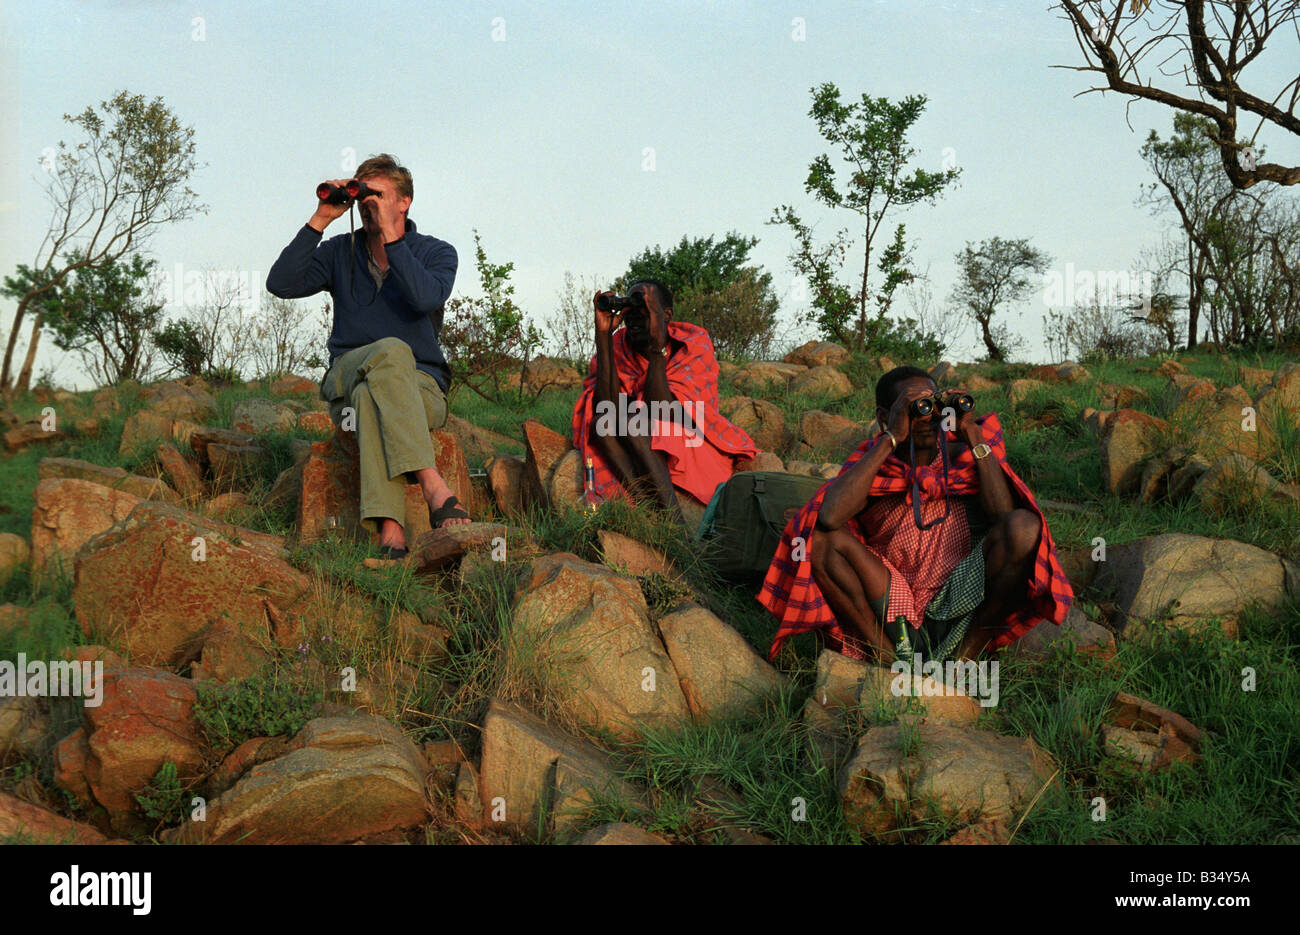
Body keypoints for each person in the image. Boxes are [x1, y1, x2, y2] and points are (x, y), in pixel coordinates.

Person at [759, 365, 1073, 662]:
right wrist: (891, 438)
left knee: (1024, 527)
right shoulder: (873, 464)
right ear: (885, 415)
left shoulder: (963, 457)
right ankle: (885, 657)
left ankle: (966, 655)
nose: (929, 415)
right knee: (820, 540)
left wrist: (973, 435)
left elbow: (1005, 516)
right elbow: (829, 518)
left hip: (958, 595)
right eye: (916, 407)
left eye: (933, 405)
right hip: (889, 602)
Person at [266, 153, 470, 558]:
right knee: (389, 354)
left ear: (404, 202)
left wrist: (392, 238)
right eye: (362, 196)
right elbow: (281, 283)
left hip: (420, 388)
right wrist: (322, 218)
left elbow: (425, 297)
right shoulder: (341, 251)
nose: (368, 204)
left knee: (370, 399)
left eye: (377, 195)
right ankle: (432, 484)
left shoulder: (437, 252)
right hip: (347, 374)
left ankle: (390, 533)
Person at [572, 280, 760, 523]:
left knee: (632, 422)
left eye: (646, 310)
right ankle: (651, 513)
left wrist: (656, 347)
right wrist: (604, 337)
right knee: (601, 425)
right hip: (643, 434)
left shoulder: (692, 343)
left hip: (691, 438)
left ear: (666, 315)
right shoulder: (620, 345)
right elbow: (607, 408)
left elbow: (661, 410)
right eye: (631, 310)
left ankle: (678, 528)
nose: (635, 320)